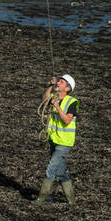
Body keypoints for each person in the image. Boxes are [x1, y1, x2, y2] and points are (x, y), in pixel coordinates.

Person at [33, 72, 80, 206]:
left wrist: (57, 106)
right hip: (54, 140)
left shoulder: (73, 102)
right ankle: (71, 201)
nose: (58, 83)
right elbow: (44, 99)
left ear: (67, 88)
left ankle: (40, 200)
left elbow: (66, 120)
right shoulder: (54, 97)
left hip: (64, 143)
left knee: (51, 168)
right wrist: (50, 85)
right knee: (61, 172)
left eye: (61, 82)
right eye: (58, 81)